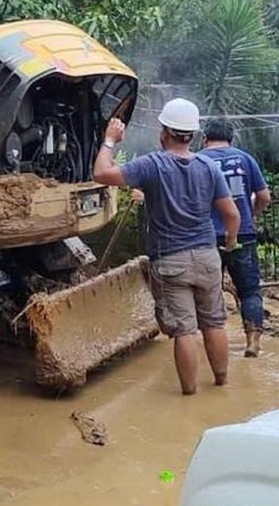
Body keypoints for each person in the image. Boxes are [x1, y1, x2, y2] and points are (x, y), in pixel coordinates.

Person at [93, 98, 241, 395]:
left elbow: (101, 174)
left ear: (164, 132)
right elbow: (232, 215)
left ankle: (189, 394)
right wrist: (230, 242)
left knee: (184, 330)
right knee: (214, 322)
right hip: (207, 257)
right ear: (193, 135)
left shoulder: (152, 165)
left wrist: (110, 140)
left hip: (171, 260)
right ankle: (222, 385)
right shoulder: (208, 166)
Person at [200, 118, 272, 357]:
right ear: (232, 138)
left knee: (208, 292)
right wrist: (251, 215)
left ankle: (211, 344)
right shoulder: (245, 159)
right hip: (243, 234)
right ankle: (253, 342)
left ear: (205, 137)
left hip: (206, 237)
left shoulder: (198, 160)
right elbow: (264, 197)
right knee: (250, 290)